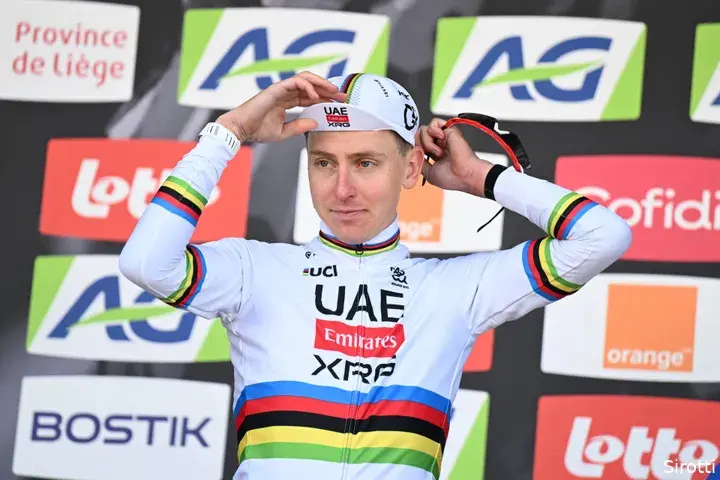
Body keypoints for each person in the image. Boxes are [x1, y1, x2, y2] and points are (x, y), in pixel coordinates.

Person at [119, 71, 632, 480]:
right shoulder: (255, 270)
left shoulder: (456, 289)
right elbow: (146, 263)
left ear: (410, 169)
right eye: (325, 163)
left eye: (365, 163)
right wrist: (228, 133)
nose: (342, 188)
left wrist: (480, 176)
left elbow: (602, 236)